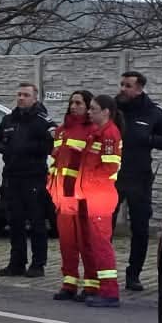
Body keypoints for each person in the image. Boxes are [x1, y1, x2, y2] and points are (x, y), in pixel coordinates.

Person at [112, 71, 162, 292]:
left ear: (139, 89)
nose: (123, 89)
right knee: (104, 226)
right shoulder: (113, 109)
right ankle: (104, 272)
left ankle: (134, 275)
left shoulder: (152, 112)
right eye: (122, 84)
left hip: (139, 178)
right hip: (113, 177)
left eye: (128, 85)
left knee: (139, 229)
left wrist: (148, 139)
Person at [0, 81, 54, 278]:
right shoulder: (9, 119)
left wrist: (28, 150)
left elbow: (51, 144)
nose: (21, 98)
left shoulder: (42, 121)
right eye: (19, 94)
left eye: (26, 95)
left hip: (34, 177)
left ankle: (38, 264)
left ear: (35, 98)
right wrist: (7, 149)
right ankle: (17, 263)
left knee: (36, 222)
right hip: (12, 176)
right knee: (15, 222)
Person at [77, 94, 126, 308]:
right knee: (95, 243)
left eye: (94, 109)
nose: (89, 112)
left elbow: (109, 167)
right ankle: (99, 287)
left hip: (100, 195)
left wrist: (90, 184)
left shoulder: (108, 134)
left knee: (101, 244)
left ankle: (109, 291)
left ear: (106, 112)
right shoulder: (98, 133)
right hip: (94, 195)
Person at [50, 91, 95, 301]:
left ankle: (91, 285)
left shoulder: (93, 130)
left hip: (83, 194)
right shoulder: (61, 131)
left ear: (88, 106)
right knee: (67, 242)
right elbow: (54, 160)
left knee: (86, 241)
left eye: (78, 103)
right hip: (63, 194)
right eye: (71, 103)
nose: (73, 106)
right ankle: (69, 283)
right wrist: (52, 187)